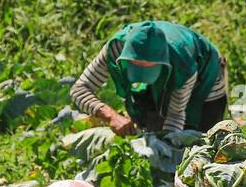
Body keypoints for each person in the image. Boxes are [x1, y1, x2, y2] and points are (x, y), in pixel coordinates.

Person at [70, 21, 227, 135]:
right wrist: (111, 116)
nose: (142, 75)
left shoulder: (182, 62)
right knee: (145, 114)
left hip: (205, 72)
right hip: (171, 69)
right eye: (136, 65)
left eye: (148, 68)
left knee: (203, 135)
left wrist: (169, 145)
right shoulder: (116, 48)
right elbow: (79, 89)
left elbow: (175, 115)